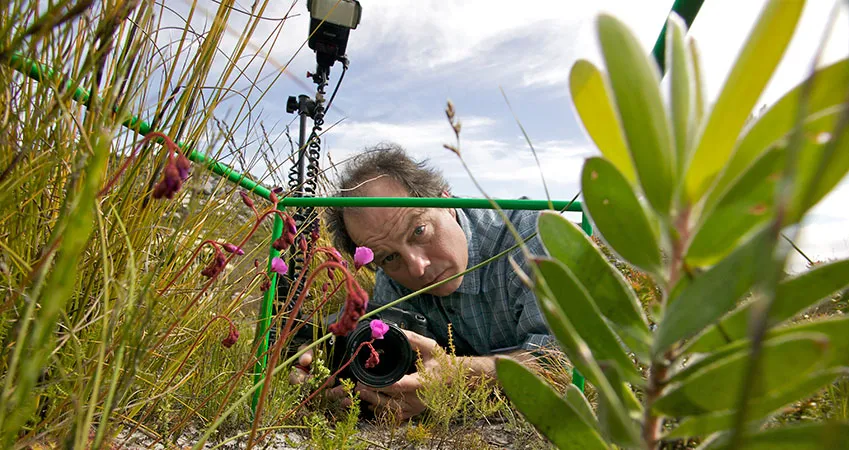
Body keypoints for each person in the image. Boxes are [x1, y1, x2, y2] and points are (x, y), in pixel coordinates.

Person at [290, 144, 553, 420]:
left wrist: (460, 377)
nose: (417, 268)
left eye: (419, 231)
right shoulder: (390, 284)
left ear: (446, 203)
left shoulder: (529, 239)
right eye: (389, 258)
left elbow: (566, 363)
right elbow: (405, 375)